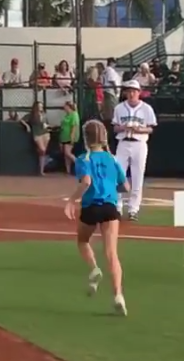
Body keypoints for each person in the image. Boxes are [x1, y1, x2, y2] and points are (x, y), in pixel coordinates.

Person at [64, 120, 128, 314]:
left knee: (83, 240)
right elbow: (125, 187)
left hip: (91, 206)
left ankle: (94, 269)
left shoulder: (84, 159)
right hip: (110, 206)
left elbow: (86, 181)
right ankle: (118, 295)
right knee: (112, 254)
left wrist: (71, 200)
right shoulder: (112, 159)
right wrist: (111, 188)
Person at [110, 79, 156, 220]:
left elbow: (151, 128)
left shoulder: (146, 108)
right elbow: (115, 127)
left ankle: (133, 209)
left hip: (139, 143)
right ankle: (117, 207)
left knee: (137, 177)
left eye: (134, 91)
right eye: (129, 91)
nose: (131, 94)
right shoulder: (119, 108)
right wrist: (124, 127)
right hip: (123, 142)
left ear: (139, 92)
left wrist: (139, 129)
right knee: (119, 176)